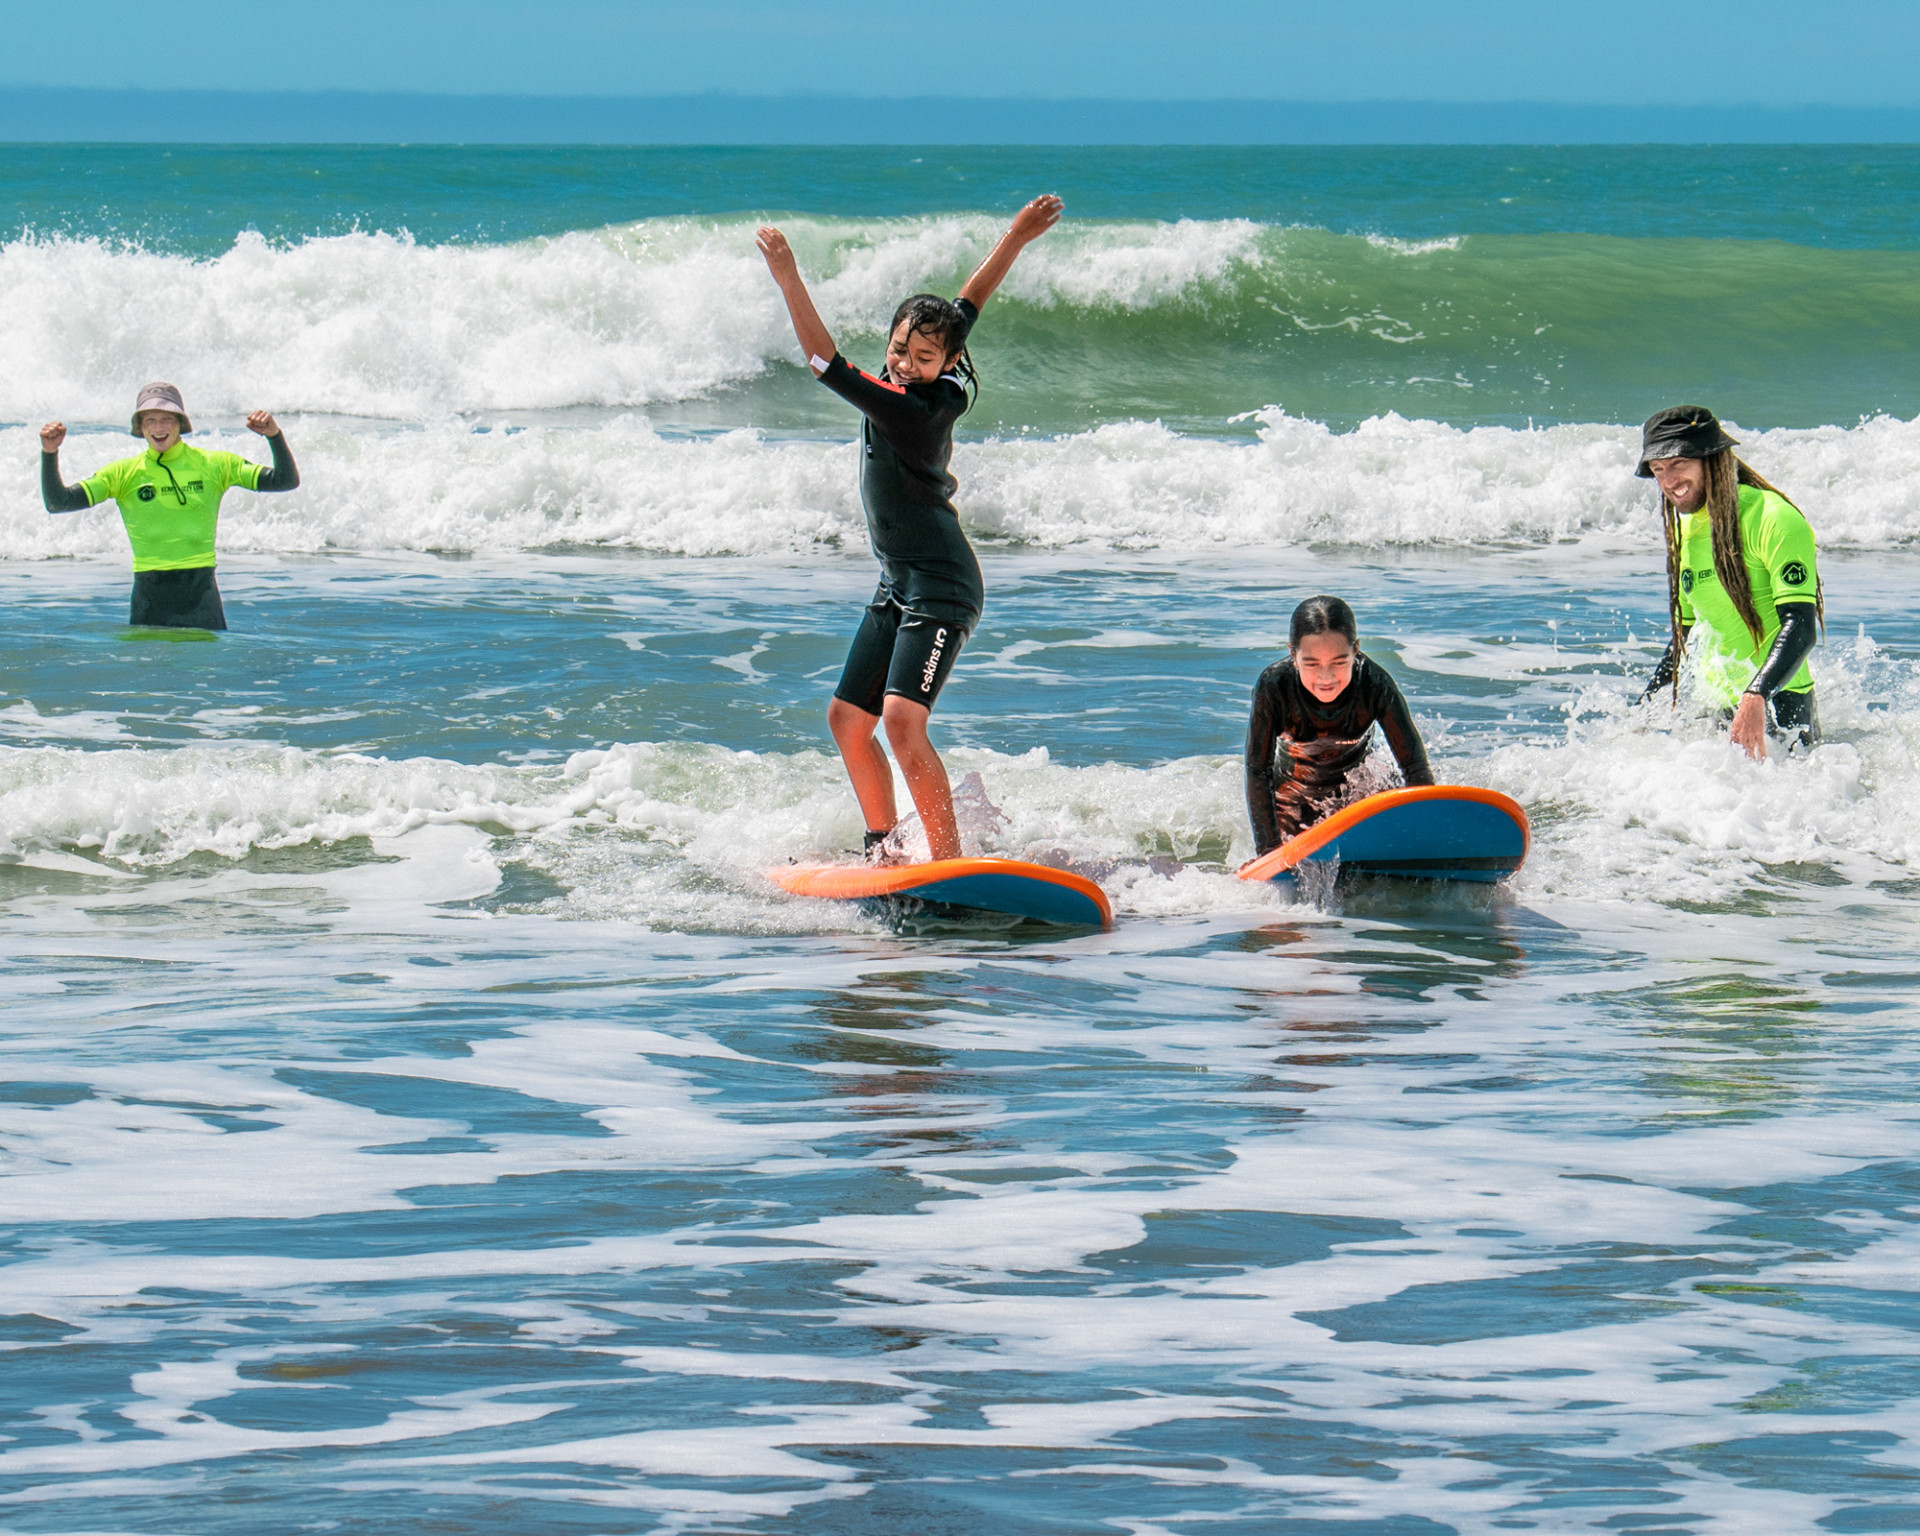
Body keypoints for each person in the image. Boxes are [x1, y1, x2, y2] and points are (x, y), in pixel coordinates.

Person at [756, 195, 1062, 862]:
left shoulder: (912, 408)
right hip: (899, 581)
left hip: (942, 585)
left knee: (900, 721)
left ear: (947, 364)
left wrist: (788, 277)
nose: (905, 363)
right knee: (846, 720)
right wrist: (1015, 235)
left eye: (924, 357)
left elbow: (823, 365)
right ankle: (883, 849)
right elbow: (968, 303)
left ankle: (946, 863)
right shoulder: (923, 361)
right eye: (899, 349)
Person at [1635, 405, 1821, 756]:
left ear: (1713, 459)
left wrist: (1756, 695)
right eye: (1658, 470)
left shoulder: (1772, 516)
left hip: (1780, 705)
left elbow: (1800, 626)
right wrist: (1645, 709)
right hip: (1717, 712)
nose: (1669, 482)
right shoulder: (1686, 531)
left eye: (1678, 464)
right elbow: (1686, 638)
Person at [40, 382, 300, 631]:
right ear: (140, 427)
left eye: (167, 419)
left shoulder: (215, 464)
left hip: (202, 600)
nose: (159, 427)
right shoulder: (121, 473)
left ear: (180, 424)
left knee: (205, 675)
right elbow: (57, 503)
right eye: (150, 420)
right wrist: (50, 453)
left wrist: (274, 436)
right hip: (149, 600)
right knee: (150, 675)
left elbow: (285, 481)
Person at [1245, 595, 1435, 857]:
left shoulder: (1374, 684)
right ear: (1293, 654)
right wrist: (1267, 849)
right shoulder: (1274, 687)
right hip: (1294, 797)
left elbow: (1413, 766)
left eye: (1339, 662)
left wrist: (1428, 833)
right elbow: (1258, 770)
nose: (1326, 677)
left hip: (1359, 793)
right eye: (1312, 664)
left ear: (1355, 650)